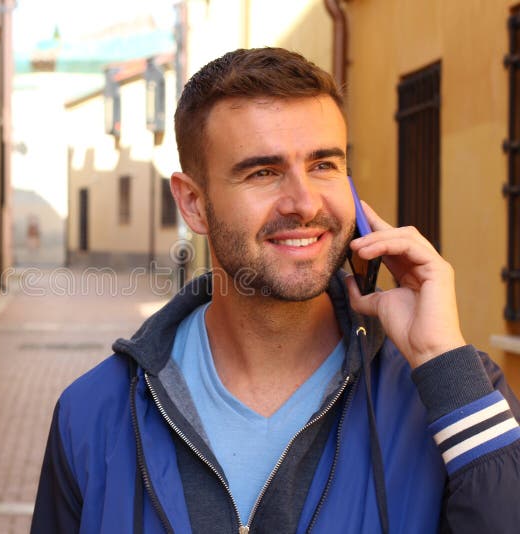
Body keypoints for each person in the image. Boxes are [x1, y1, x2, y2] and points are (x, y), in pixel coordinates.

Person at [30, 47, 520, 533]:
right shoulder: (93, 416)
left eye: (324, 165)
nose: (304, 203)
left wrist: (440, 359)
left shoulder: (454, 393)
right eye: (263, 172)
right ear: (193, 203)